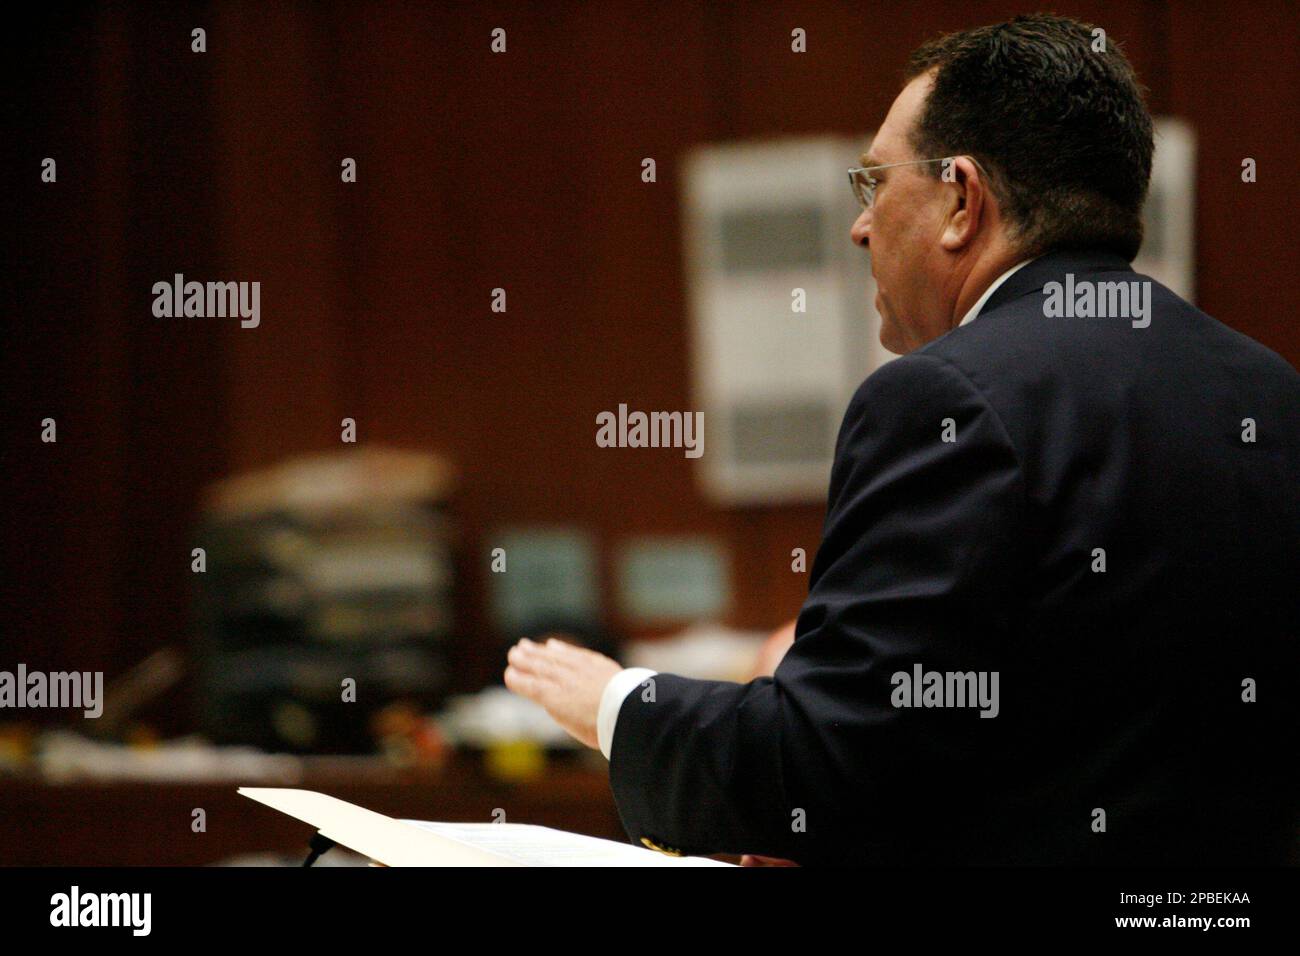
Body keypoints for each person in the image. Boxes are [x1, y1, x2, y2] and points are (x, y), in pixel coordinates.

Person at [505, 14, 1299, 865]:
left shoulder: (945, 397)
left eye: (874, 183)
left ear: (961, 199)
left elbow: (826, 766)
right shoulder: (1272, 391)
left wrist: (617, 701)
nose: (859, 227)